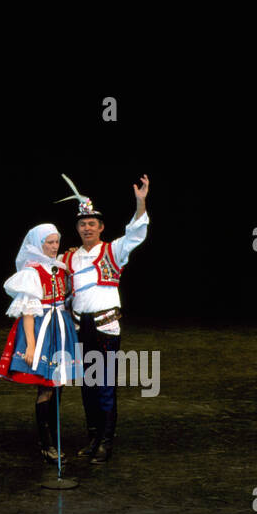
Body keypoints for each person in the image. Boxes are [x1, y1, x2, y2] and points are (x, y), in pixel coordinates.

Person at [58, 173, 149, 464]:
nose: (87, 228)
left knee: (105, 385)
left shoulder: (114, 251)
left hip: (106, 327)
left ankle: (106, 444)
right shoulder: (69, 258)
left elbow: (135, 233)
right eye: (83, 224)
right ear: (77, 228)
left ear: (101, 227)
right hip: (78, 326)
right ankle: (93, 438)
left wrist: (140, 202)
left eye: (92, 224)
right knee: (86, 386)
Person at [0, 223, 79, 459]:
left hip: (61, 328)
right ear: (38, 244)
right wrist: (31, 345)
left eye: (56, 242)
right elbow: (28, 313)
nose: (54, 247)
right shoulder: (32, 272)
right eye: (49, 243)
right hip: (43, 329)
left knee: (58, 385)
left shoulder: (59, 267)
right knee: (45, 386)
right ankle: (46, 443)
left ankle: (54, 435)